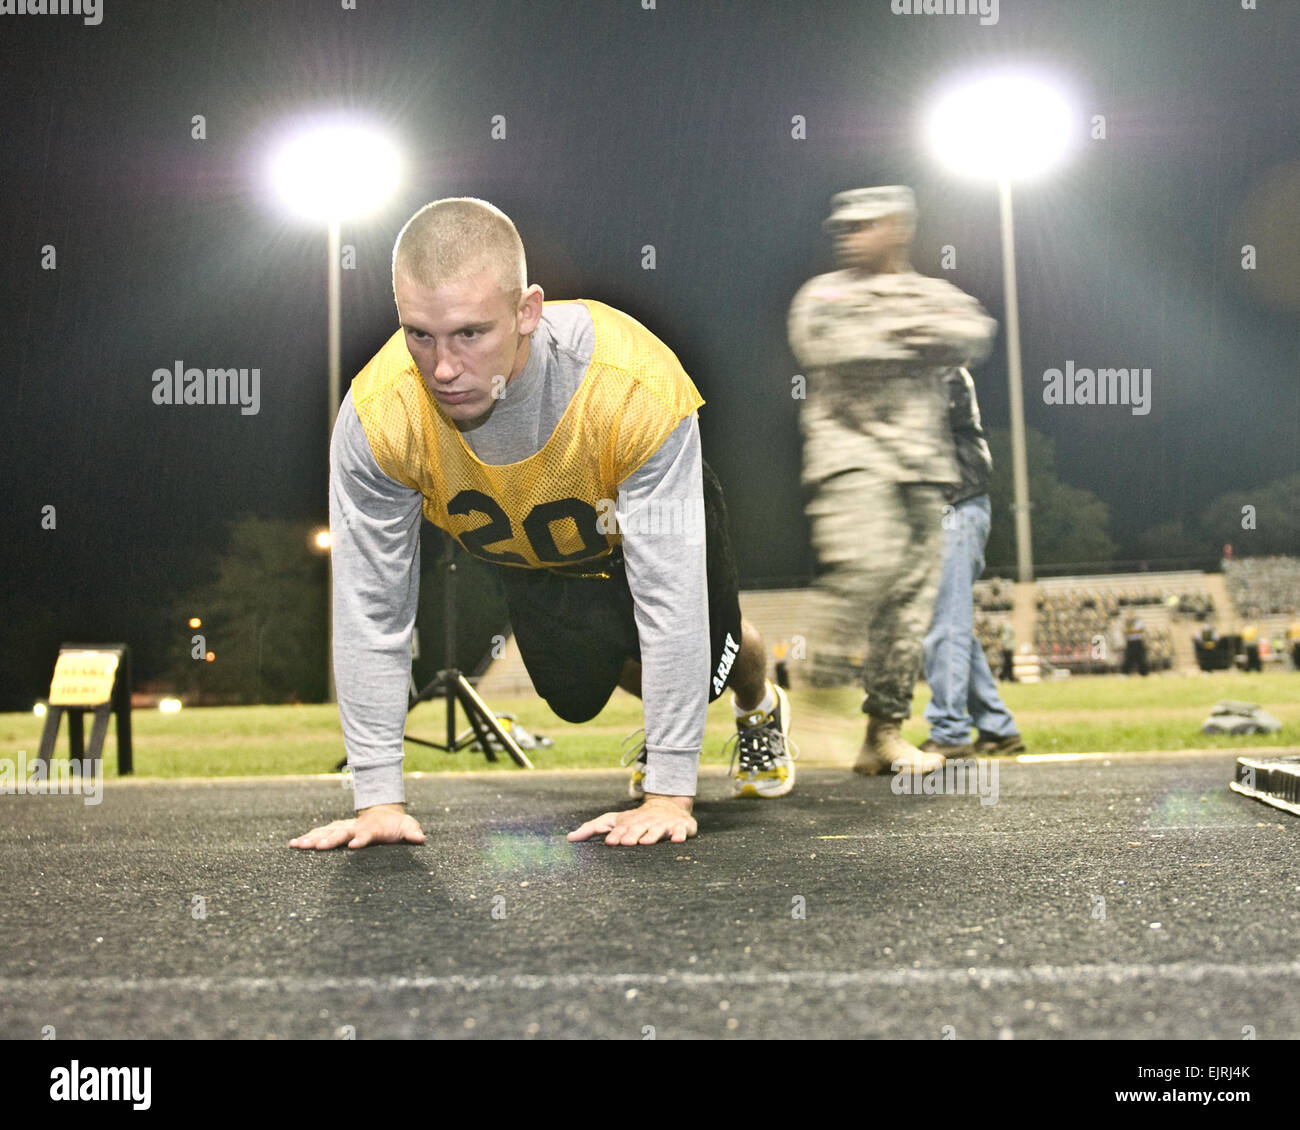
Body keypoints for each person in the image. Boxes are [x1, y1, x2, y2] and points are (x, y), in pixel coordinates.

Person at [291, 198, 793, 853]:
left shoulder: (631, 386)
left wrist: (668, 793)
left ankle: (759, 704)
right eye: (419, 333)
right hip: (539, 555)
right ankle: (668, 700)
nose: (442, 367)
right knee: (574, 696)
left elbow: (669, 597)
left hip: (638, 527)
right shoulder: (379, 417)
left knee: (706, 666)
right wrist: (377, 801)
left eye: (471, 333)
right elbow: (372, 612)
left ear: (528, 311)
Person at [787, 185, 996, 775]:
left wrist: (898, 335)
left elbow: (973, 334)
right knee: (868, 565)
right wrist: (913, 338)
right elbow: (828, 347)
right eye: (843, 228)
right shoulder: (823, 292)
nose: (849, 237)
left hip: (925, 466)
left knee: (908, 605)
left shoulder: (932, 291)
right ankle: (816, 693)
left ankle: (883, 733)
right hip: (850, 458)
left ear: (898, 229)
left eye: (864, 226)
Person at [920, 368, 1024, 756]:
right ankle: (997, 727)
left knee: (947, 623)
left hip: (958, 505)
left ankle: (949, 731)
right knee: (950, 621)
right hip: (944, 509)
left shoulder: (944, 371)